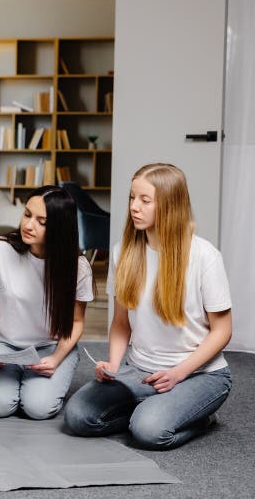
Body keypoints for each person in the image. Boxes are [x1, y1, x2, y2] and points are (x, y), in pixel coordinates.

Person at [64, 163, 232, 449]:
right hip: (139, 371)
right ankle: (152, 409)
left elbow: (222, 331)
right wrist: (114, 365)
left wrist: (178, 373)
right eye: (132, 198)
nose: (134, 207)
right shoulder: (123, 252)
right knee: (78, 417)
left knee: (149, 432)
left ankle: (200, 417)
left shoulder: (205, 256)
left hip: (199, 375)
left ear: (169, 205)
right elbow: (120, 322)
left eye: (145, 200)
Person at [0, 185, 93, 420]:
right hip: (3, 346)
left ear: (59, 226)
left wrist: (57, 358)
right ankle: (13, 377)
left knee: (38, 409)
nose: (28, 225)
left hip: (50, 347)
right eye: (27, 214)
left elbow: (77, 320)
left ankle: (46, 374)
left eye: (42, 222)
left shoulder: (78, 267)